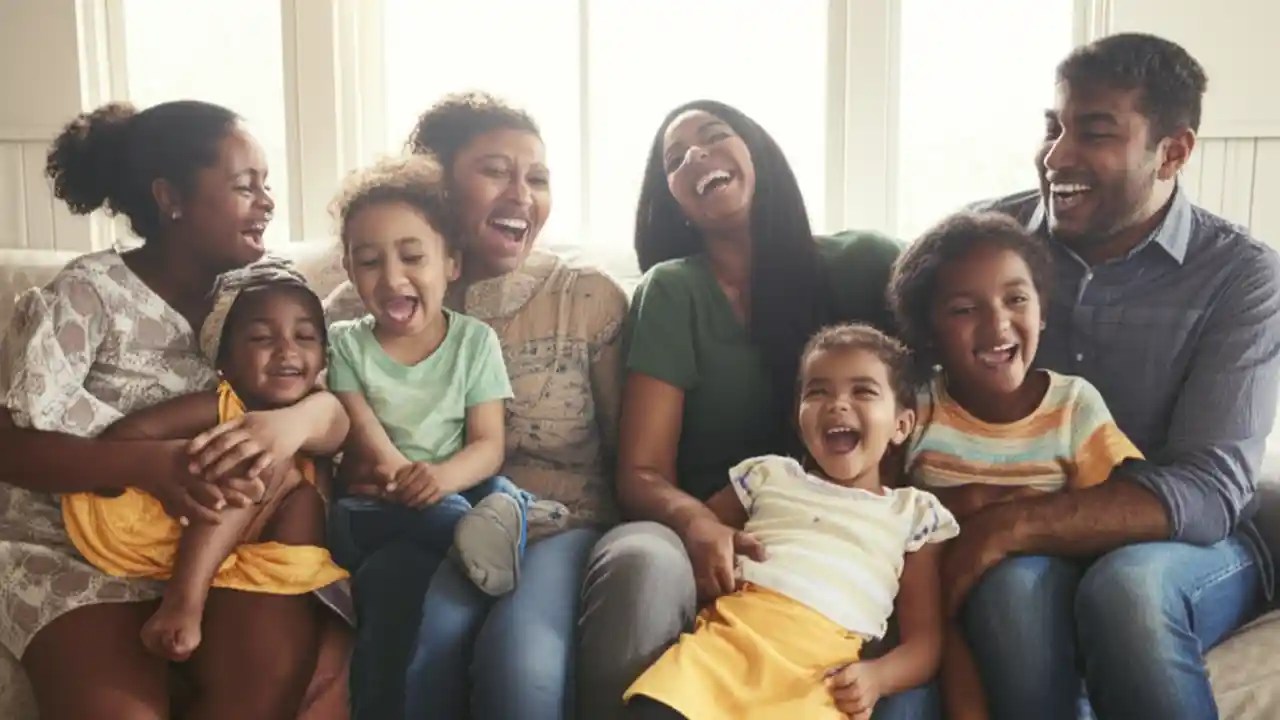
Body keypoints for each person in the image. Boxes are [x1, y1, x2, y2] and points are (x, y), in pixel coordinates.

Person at [950, 33, 1280, 719]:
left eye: (1094, 133)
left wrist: (1006, 525)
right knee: (1009, 590)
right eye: (1053, 127)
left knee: (1127, 589)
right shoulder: (987, 242)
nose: (1057, 156)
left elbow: (1209, 488)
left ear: (1174, 151)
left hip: (1189, 545)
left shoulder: (1242, 276)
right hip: (1037, 520)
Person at [578, 99, 934, 720]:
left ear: (759, 153)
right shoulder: (673, 290)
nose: (695, 155)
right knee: (640, 560)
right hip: (717, 533)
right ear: (673, 200)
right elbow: (640, 473)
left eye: (714, 136)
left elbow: (973, 304)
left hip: (852, 556)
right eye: (675, 157)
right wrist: (700, 526)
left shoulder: (867, 263)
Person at [0, 100, 353, 719]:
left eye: (266, 186)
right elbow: (10, 447)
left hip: (221, 547)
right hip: (72, 550)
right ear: (171, 198)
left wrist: (295, 422)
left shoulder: (261, 289)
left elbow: (330, 406)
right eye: (245, 186)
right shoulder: (91, 293)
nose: (267, 202)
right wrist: (154, 465)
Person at [325, 91, 627, 720]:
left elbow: (634, 454)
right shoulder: (354, 315)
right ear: (437, 183)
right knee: (429, 634)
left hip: (555, 524)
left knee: (520, 668)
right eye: (496, 170)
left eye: (537, 177)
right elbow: (312, 403)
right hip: (415, 519)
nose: (521, 194)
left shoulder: (584, 297)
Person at [624, 324, 956, 720]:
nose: (838, 405)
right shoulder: (769, 476)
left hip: (817, 682)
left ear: (901, 425)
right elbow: (702, 539)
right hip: (723, 650)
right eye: (818, 391)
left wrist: (878, 678)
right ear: (800, 420)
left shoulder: (913, 514)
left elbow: (925, 643)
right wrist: (710, 558)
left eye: (863, 391)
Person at [887, 211, 1144, 720]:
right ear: (929, 333)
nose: (998, 324)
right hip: (935, 621)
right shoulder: (915, 411)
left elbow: (1112, 518)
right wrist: (983, 502)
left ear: (1043, 311)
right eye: (964, 309)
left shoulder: (1072, 405)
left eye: (1016, 299)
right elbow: (878, 509)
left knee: (1018, 587)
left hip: (1037, 614)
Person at [61, 260, 348, 662]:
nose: (287, 351)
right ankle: (183, 603)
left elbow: (338, 424)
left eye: (305, 337)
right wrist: (182, 462)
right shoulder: (221, 404)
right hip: (165, 535)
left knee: (297, 488)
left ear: (323, 359)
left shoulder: (321, 408)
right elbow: (124, 439)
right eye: (262, 338)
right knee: (257, 455)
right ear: (223, 361)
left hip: (267, 562)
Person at [328, 154, 566, 599]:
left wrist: (441, 481)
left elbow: (488, 444)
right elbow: (370, 442)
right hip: (378, 502)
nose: (392, 277)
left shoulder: (475, 343)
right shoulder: (345, 345)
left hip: (453, 484)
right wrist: (415, 485)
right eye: (369, 262)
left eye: (413, 257)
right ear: (349, 270)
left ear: (451, 265)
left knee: (495, 487)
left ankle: (496, 525)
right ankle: (501, 531)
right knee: (392, 513)